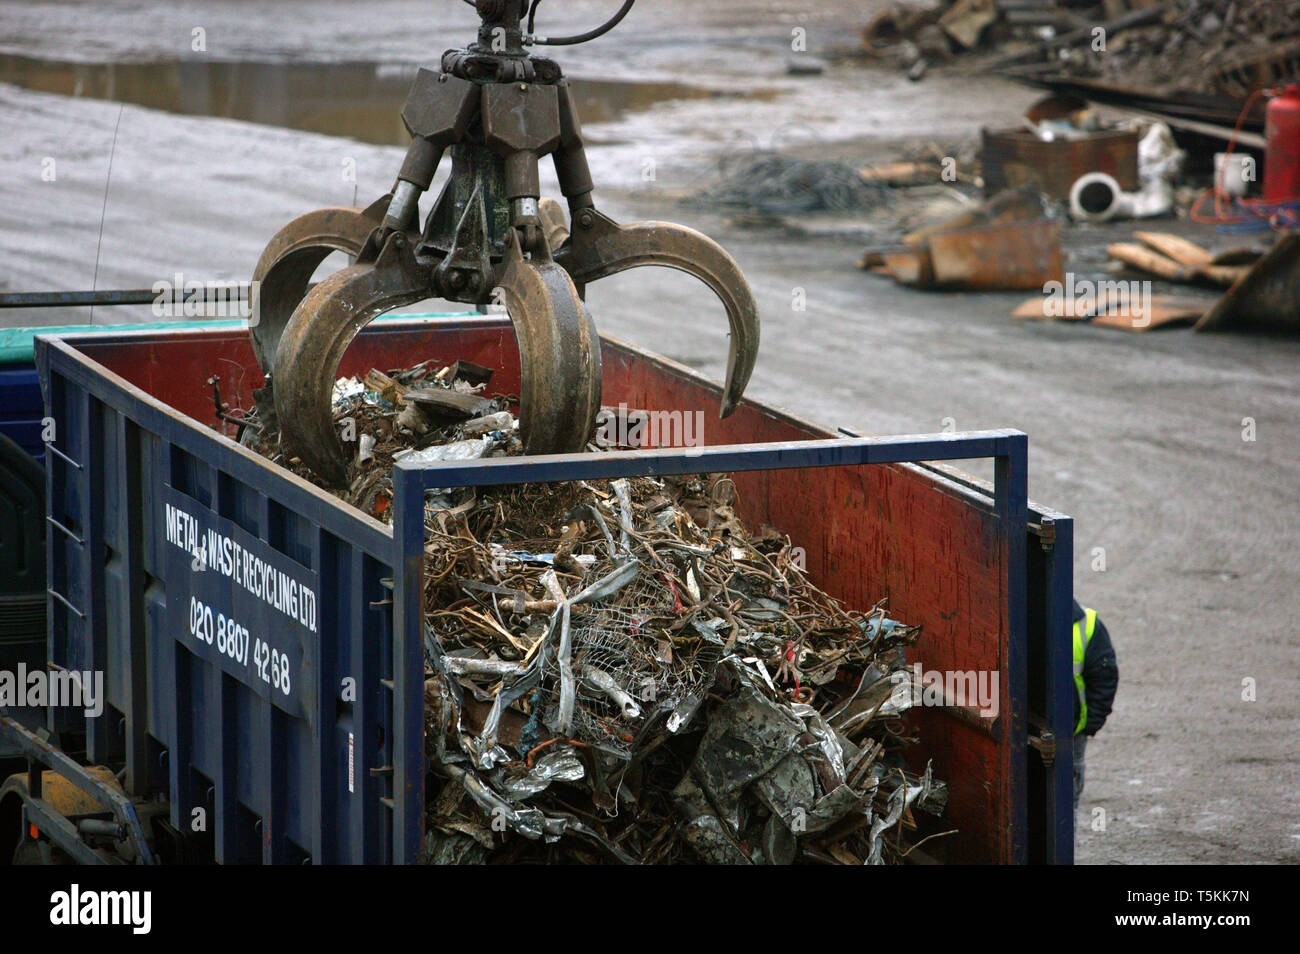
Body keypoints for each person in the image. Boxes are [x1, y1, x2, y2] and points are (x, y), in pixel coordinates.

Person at [1073, 600, 1117, 814]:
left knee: (1065, 806)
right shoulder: (1088, 625)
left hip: (1072, 737)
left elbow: (1104, 680)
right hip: (1070, 734)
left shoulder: (1087, 625)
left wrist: (1088, 726)